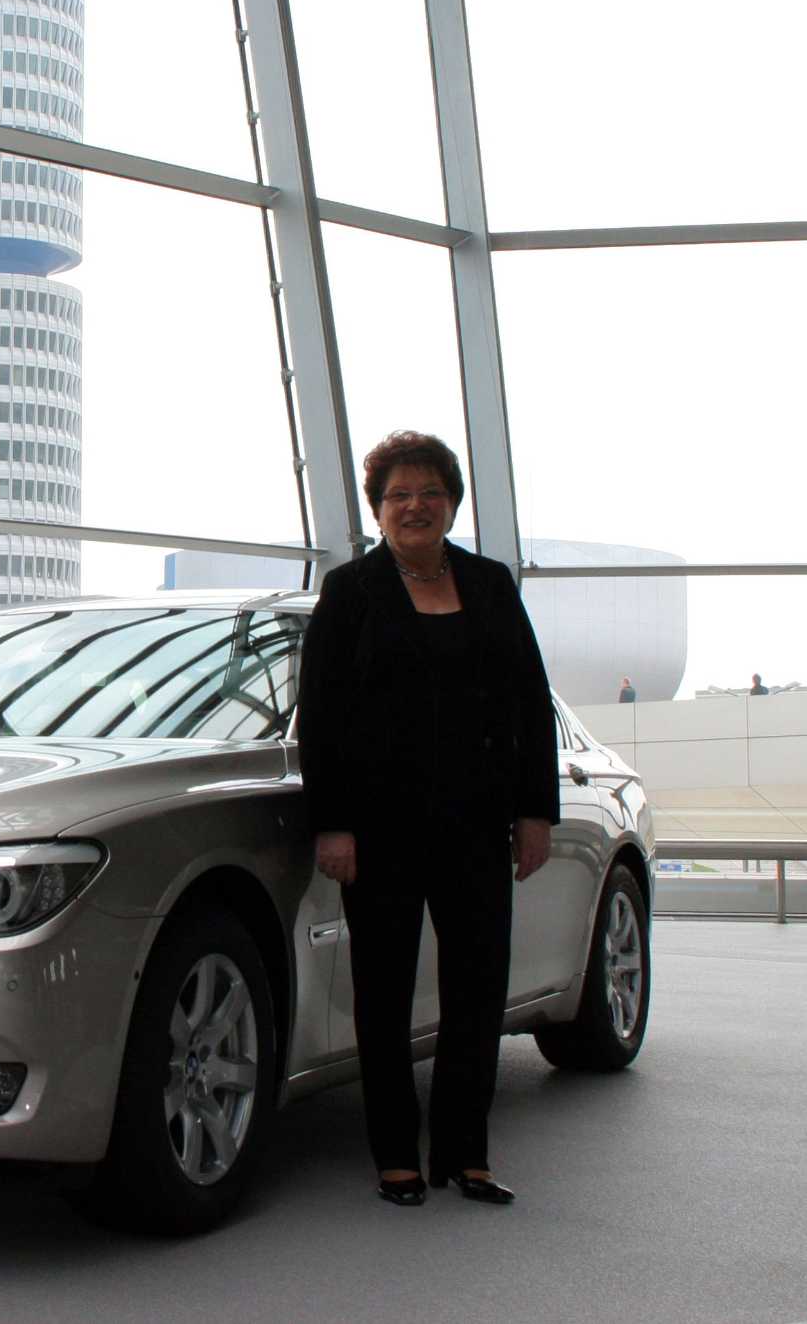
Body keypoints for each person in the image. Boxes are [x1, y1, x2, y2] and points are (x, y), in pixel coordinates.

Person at [297, 430, 556, 1209]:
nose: (416, 506)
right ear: (377, 509)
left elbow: (529, 703)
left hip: (478, 823)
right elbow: (323, 716)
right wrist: (333, 824)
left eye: (431, 493)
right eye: (399, 495)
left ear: (452, 503)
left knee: (478, 989)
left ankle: (466, 1154)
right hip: (379, 829)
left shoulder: (490, 584)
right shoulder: (351, 591)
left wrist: (535, 811)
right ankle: (394, 1156)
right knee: (383, 992)